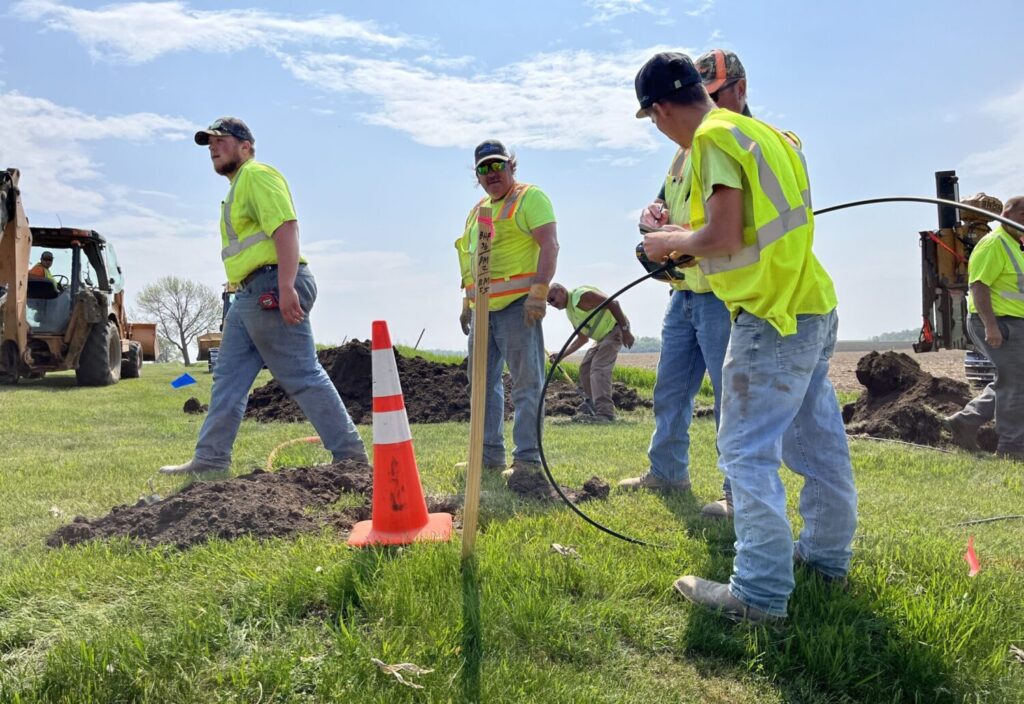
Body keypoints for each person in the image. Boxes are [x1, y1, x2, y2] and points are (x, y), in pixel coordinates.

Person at [635, 52, 857, 622]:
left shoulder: (710, 138)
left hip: (768, 314)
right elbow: (753, 231)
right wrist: (690, 244)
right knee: (817, 447)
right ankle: (827, 560)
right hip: (810, 304)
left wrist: (669, 243)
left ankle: (758, 592)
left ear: (660, 109)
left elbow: (725, 235)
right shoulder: (766, 135)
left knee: (744, 452)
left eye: (652, 118)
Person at [160, 117, 367, 475]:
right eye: (210, 143)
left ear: (246, 146)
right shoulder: (238, 186)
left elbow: (286, 228)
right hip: (249, 294)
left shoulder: (257, 175)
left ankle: (350, 455)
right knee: (228, 378)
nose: (213, 147)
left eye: (221, 140)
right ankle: (210, 459)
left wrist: (286, 287)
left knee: (301, 373)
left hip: (272, 285)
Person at [619, 50, 760, 516]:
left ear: (740, 90)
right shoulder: (684, 153)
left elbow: (729, 228)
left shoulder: (738, 141)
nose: (711, 102)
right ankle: (666, 472)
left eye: (716, 92)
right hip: (683, 291)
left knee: (730, 399)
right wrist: (654, 216)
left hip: (722, 291)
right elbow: (665, 203)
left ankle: (736, 493)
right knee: (670, 392)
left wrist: (673, 241)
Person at [455, 139, 559, 476]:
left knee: (527, 384)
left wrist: (539, 292)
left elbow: (549, 245)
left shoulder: (530, 198)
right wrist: (467, 302)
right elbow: (472, 259)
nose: (492, 173)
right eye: (484, 168)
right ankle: (489, 456)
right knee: (481, 384)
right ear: (477, 176)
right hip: (483, 310)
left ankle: (527, 460)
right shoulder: (478, 211)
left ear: (511, 166)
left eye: (498, 164)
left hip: (518, 307)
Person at [943, 196, 1024, 460]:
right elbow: (978, 285)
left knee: (1012, 380)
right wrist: (991, 326)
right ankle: (1012, 448)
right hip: (997, 323)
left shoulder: (1017, 244)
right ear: (1006, 214)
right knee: (1015, 382)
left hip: (1014, 323)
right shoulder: (994, 244)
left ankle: (964, 422)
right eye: (1023, 215)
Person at [546, 283, 635, 423]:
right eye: (549, 303)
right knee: (585, 369)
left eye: (552, 299)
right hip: (602, 338)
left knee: (599, 368)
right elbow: (582, 339)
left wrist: (625, 331)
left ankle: (605, 413)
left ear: (562, 291)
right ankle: (594, 406)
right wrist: (561, 355)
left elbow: (613, 303)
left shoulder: (581, 296)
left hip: (615, 330)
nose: (553, 304)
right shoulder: (570, 312)